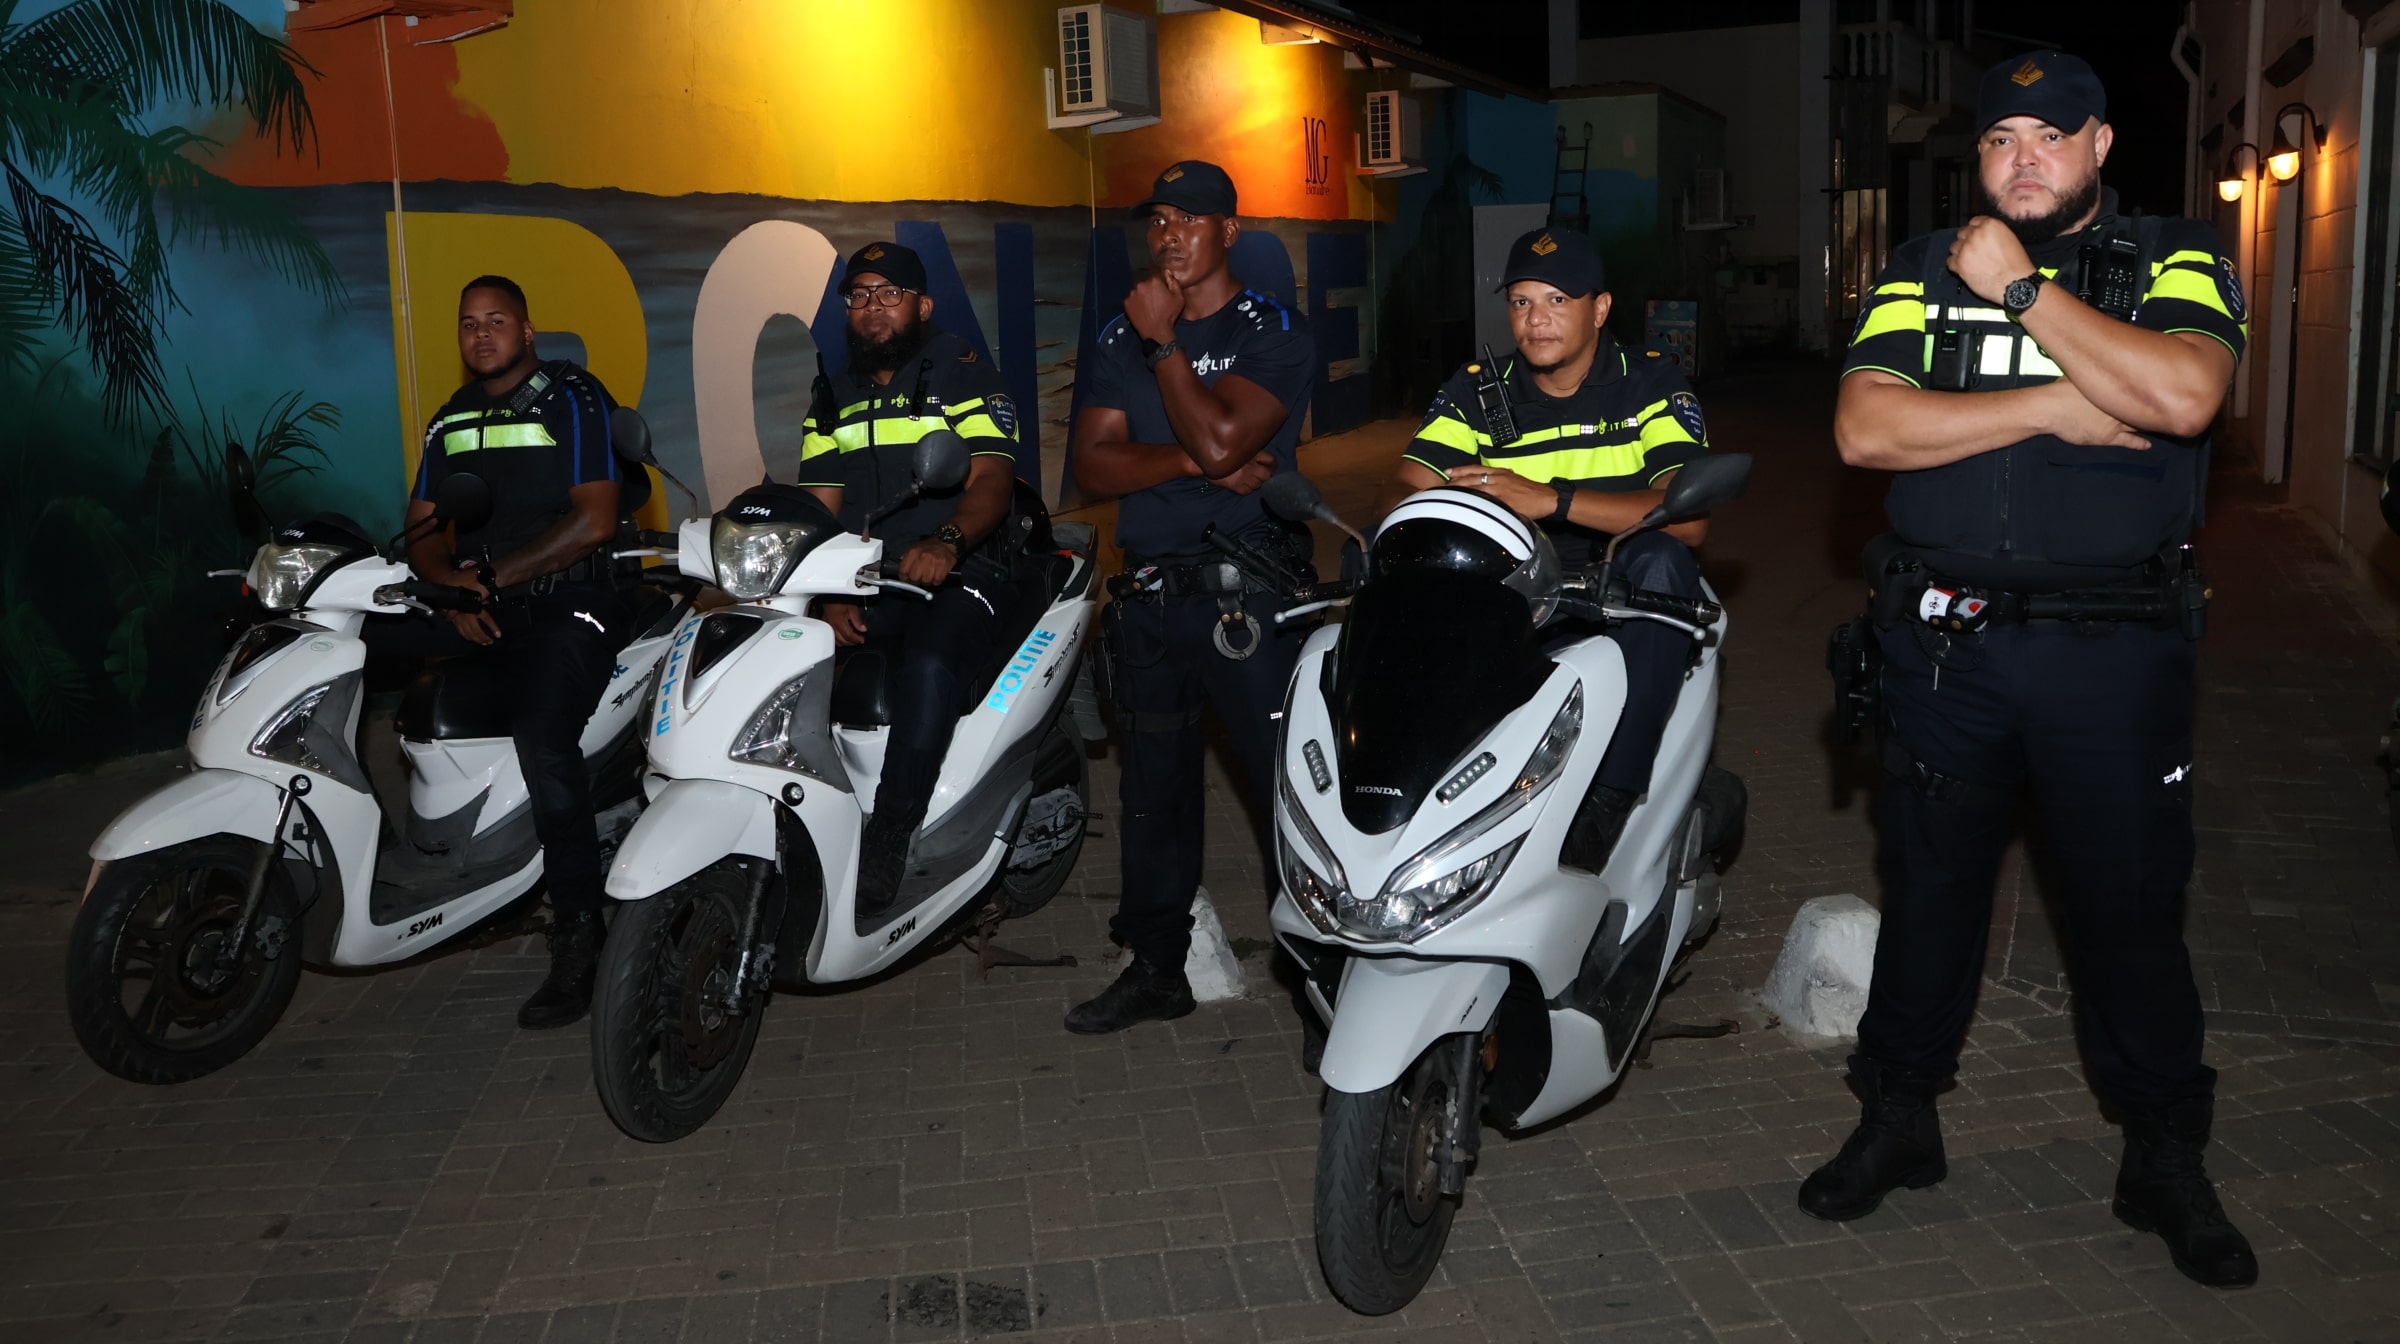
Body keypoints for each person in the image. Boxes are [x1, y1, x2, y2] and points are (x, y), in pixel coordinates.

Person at [1809, 51, 2255, 1289]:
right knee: (1929, 894)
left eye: (2051, 136)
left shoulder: (2173, 260)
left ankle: (2163, 1155)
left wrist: (2022, 292)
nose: (2024, 159)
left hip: (2110, 654)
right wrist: (2055, 407)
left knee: (2128, 911)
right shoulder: (1918, 267)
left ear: (2100, 145)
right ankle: (1900, 1117)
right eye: (2003, 138)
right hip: (1945, 648)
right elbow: (1865, 427)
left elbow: (2183, 396)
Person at [1066, 160, 1316, 1034]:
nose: (1168, 235)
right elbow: (1095, 465)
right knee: (1153, 795)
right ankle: (1156, 970)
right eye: (1159, 220)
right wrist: (1187, 460)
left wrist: (1166, 345)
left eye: (1189, 220)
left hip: (1244, 596)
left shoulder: (1271, 330)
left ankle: (1323, 982)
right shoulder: (1118, 335)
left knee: (1284, 793)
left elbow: (1223, 437)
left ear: (1228, 232)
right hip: (1149, 598)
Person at [1395, 226, 1710, 867]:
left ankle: (1610, 799)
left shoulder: (1649, 382)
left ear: (1600, 308)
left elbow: (1687, 517)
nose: (1536, 320)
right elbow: (1404, 486)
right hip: (1506, 584)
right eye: (1522, 302)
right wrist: (1433, 502)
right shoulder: (1479, 389)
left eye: (1558, 300)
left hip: (1614, 582)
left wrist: (1552, 498)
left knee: (1663, 559)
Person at [391, 274, 629, 1030]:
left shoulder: (572, 396)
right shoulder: (453, 416)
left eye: (497, 321)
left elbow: (596, 520)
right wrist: (452, 592)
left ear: (527, 331)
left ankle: (579, 927)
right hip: (484, 605)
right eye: (469, 323)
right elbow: (423, 529)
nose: (481, 335)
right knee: (373, 656)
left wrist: (490, 580)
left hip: (571, 600)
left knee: (543, 734)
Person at [795, 241, 1033, 922]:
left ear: (922, 306)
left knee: (928, 665)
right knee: (789, 654)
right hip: (869, 577)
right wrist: (826, 592)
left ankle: (892, 831)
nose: (873, 307)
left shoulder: (963, 373)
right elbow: (820, 506)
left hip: (962, 566)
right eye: (859, 295)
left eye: (889, 294)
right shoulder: (832, 395)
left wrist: (948, 541)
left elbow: (992, 481)